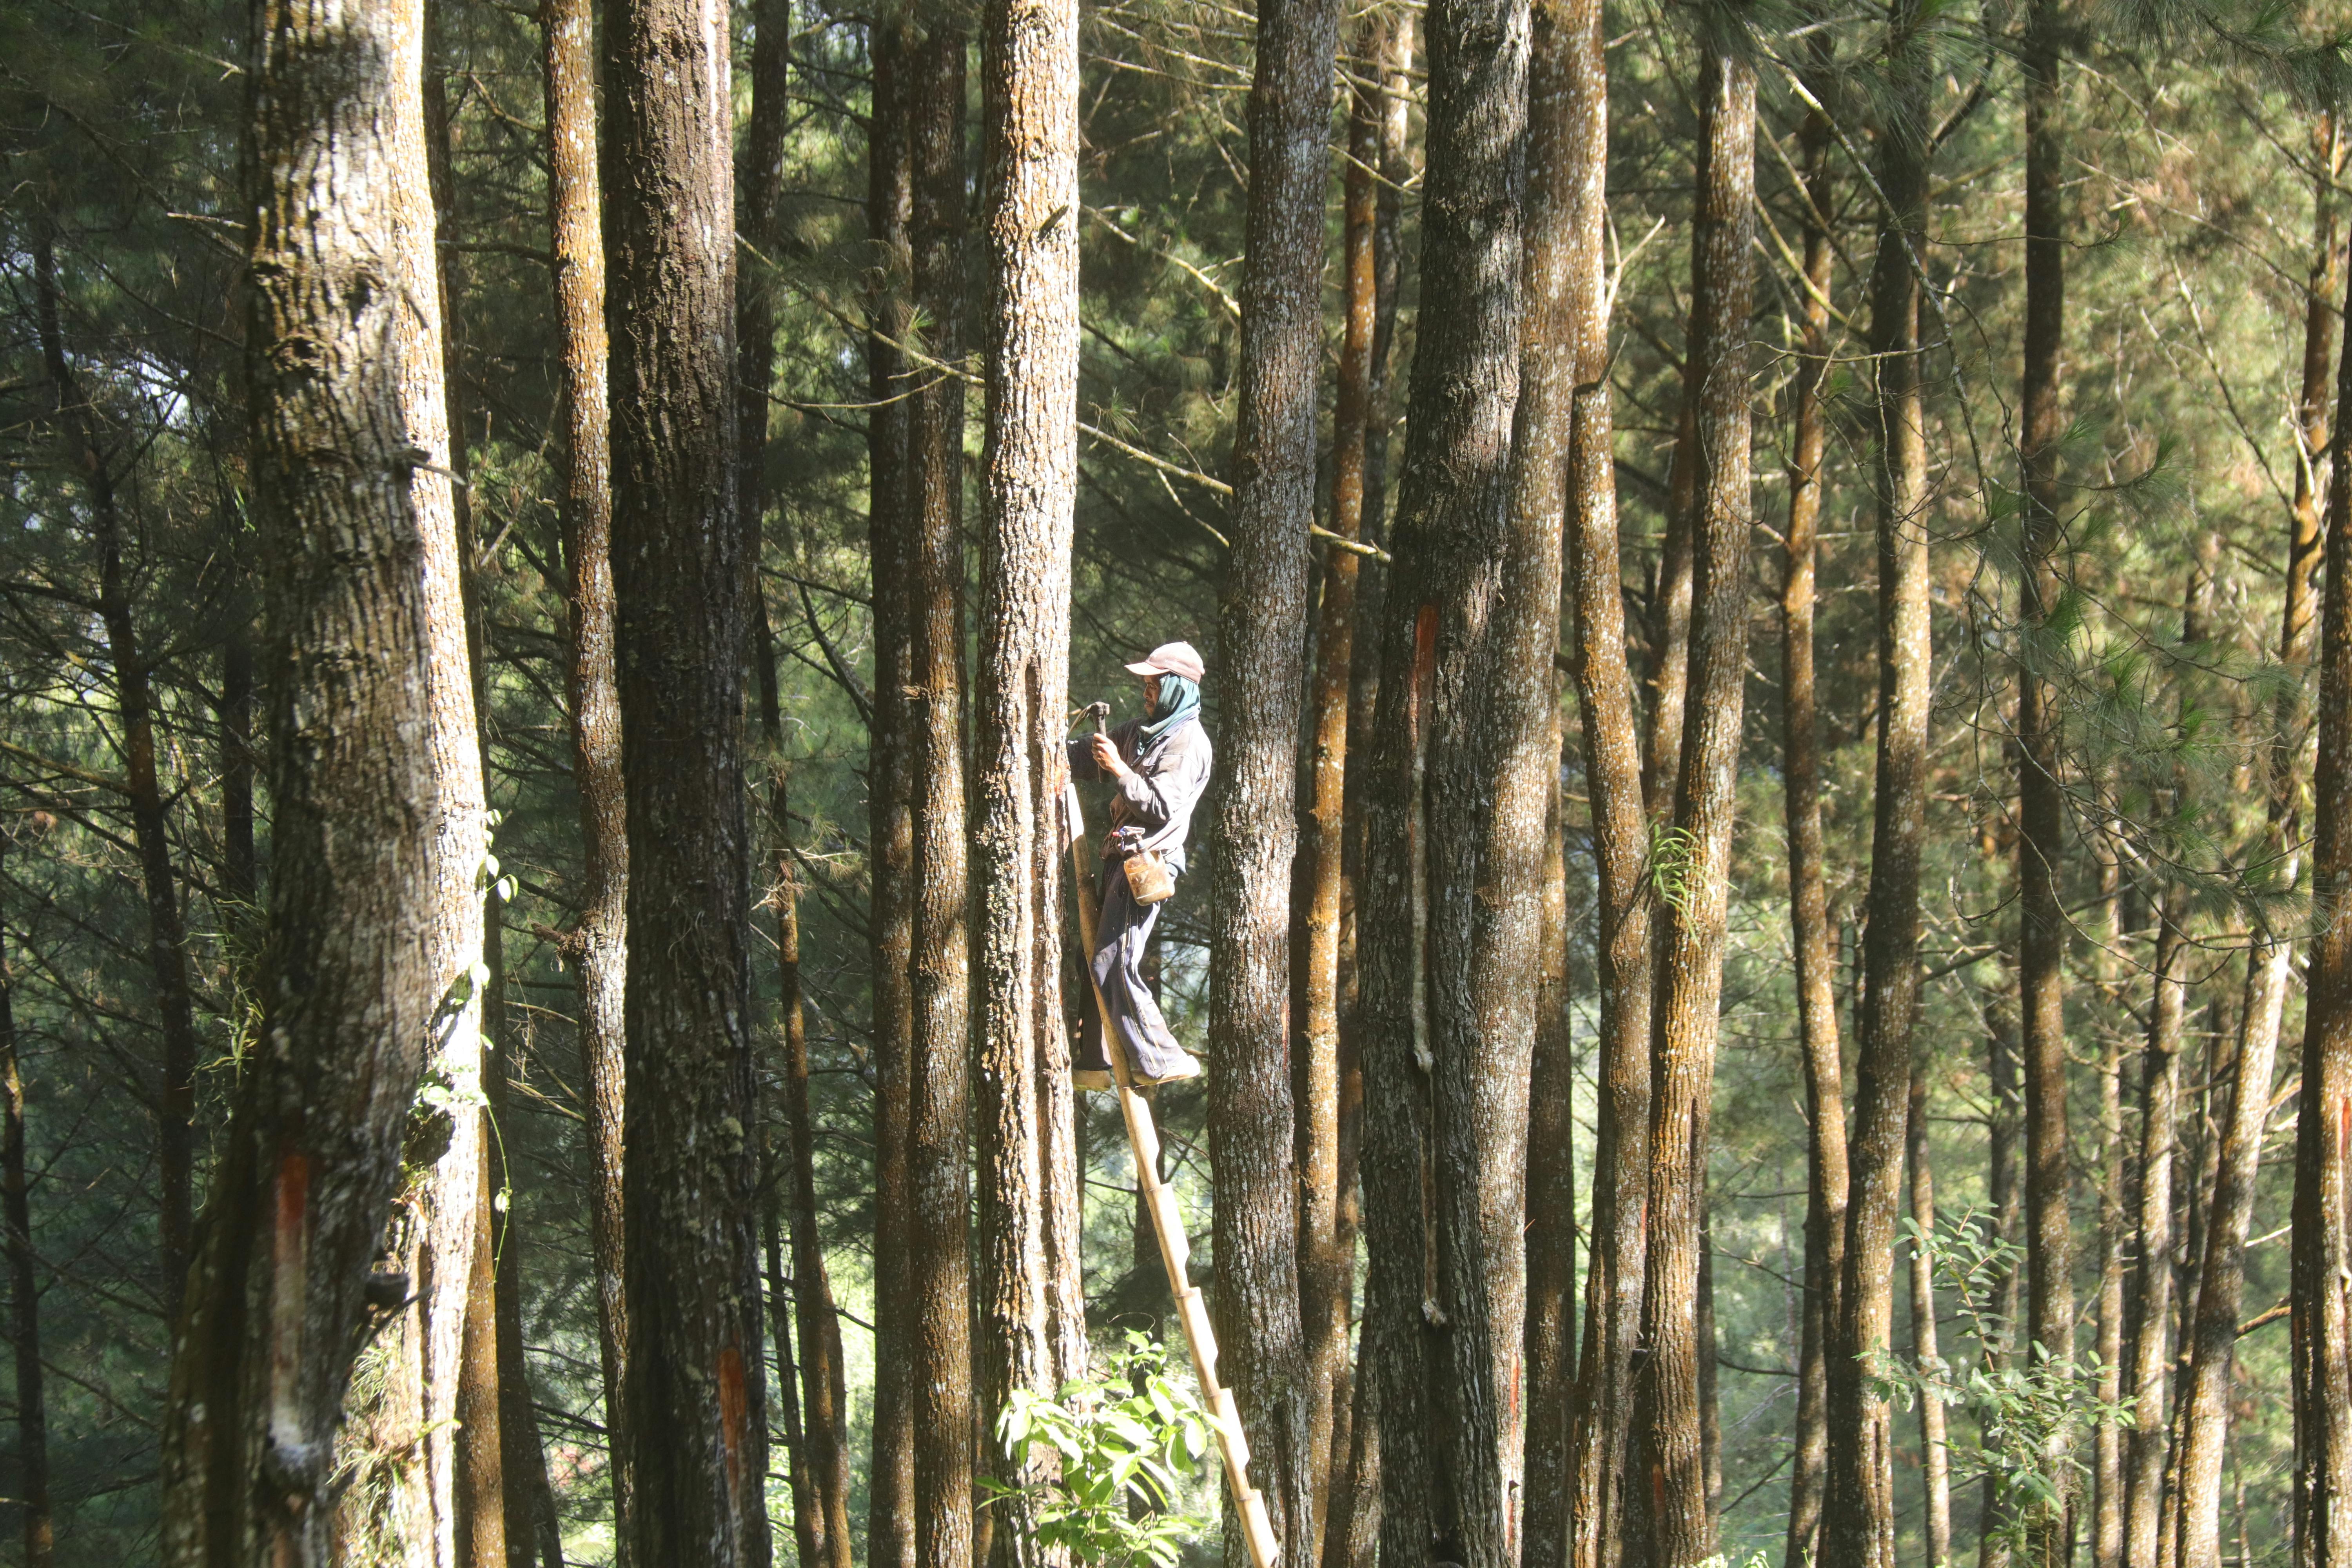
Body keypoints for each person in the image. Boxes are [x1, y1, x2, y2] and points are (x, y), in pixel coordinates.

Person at [1067, 640, 1212, 1090]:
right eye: (1146, 683)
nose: (1146, 691)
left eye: (1154, 684)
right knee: (1091, 956)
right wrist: (1054, 750)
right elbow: (1089, 755)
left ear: (1177, 688)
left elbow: (1162, 806)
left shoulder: (1188, 742)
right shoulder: (1146, 732)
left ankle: (1162, 1058)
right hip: (1120, 859)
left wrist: (1120, 771)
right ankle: (1094, 1063)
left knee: (1114, 962)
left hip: (1145, 867)